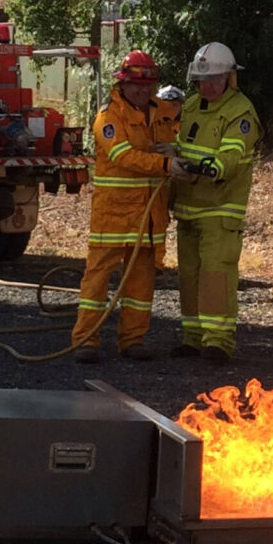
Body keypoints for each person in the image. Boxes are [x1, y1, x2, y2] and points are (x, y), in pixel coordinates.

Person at [71, 50, 178, 364]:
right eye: (136, 85)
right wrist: (166, 164)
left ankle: (133, 340)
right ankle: (86, 341)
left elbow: (175, 140)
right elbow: (123, 156)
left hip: (149, 215)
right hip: (114, 214)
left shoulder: (163, 111)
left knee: (141, 282)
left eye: (148, 85)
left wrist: (177, 150)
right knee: (97, 279)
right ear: (123, 85)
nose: (143, 91)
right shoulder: (109, 117)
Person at [168, 42, 262, 364]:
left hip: (220, 210)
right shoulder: (192, 106)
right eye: (202, 80)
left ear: (229, 79)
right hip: (189, 209)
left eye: (214, 80)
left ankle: (218, 342)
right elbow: (180, 145)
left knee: (215, 276)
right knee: (189, 276)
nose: (207, 86)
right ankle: (193, 338)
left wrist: (215, 166)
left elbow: (234, 153)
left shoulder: (240, 111)